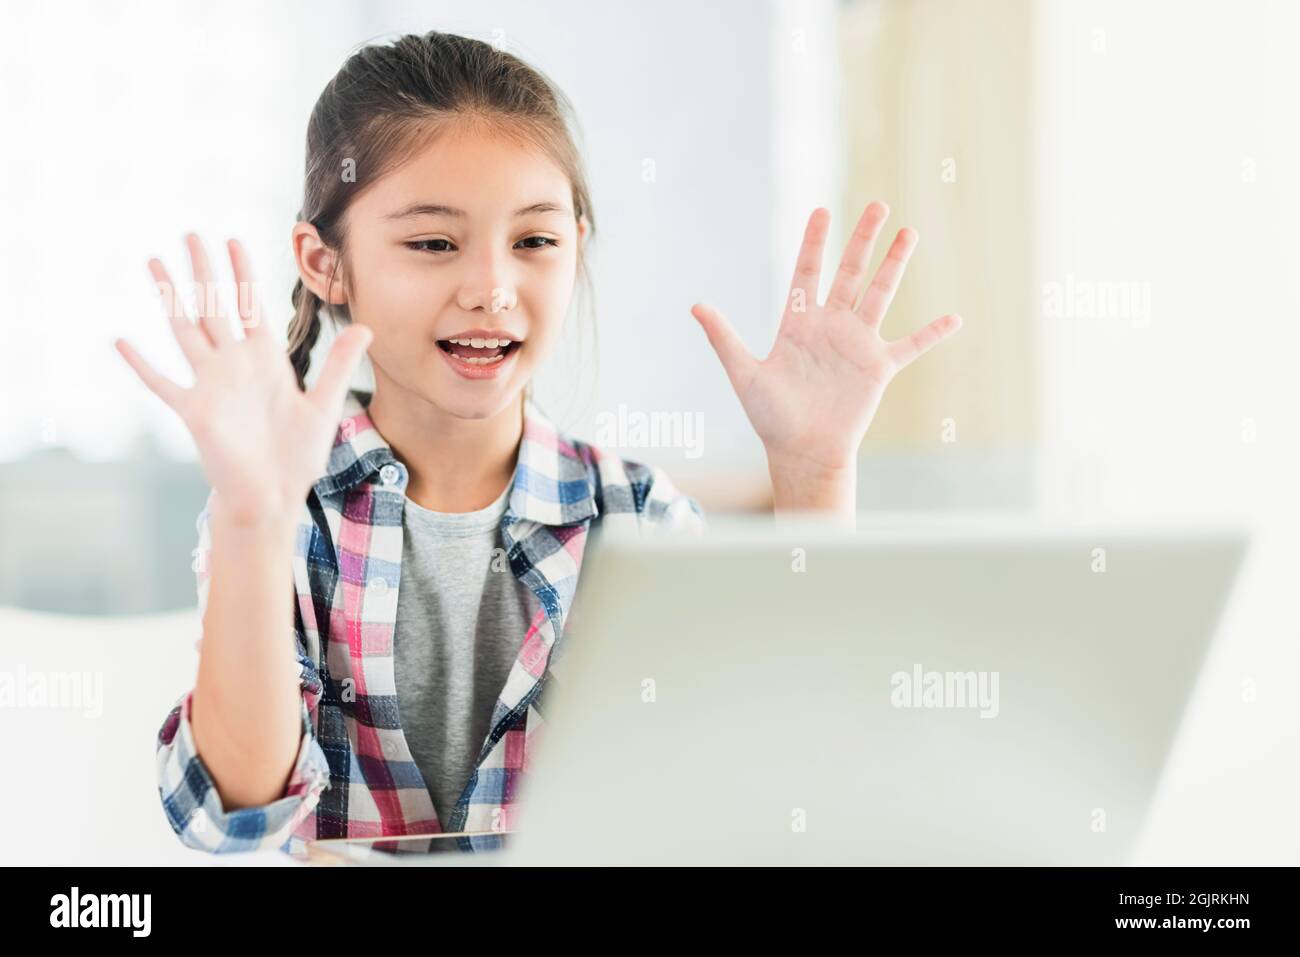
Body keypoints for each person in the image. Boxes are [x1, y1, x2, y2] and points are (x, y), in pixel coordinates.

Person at [114, 30, 961, 857]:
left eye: (534, 241)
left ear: (576, 247)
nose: (491, 288)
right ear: (324, 262)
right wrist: (254, 520)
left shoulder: (636, 515)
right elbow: (231, 817)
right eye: (434, 242)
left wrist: (814, 478)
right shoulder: (281, 509)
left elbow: (786, 780)